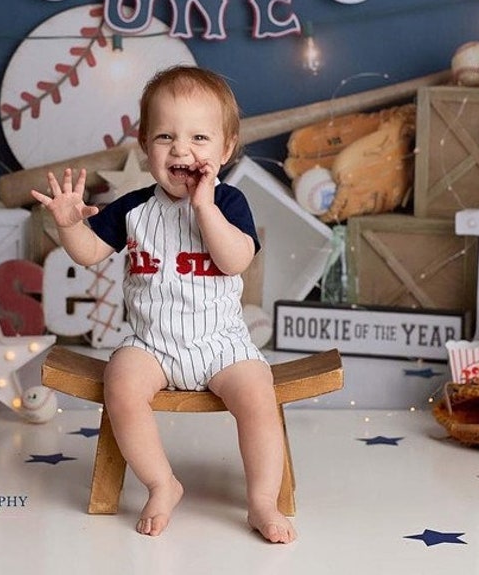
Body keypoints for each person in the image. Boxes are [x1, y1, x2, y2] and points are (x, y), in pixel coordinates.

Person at [31, 65, 295, 543]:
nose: (181, 149)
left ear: (226, 148)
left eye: (199, 137)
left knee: (259, 395)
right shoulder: (133, 208)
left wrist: (205, 208)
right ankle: (161, 482)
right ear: (144, 145)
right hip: (152, 343)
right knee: (122, 384)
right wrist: (70, 225)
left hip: (222, 345)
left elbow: (236, 260)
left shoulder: (229, 203)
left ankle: (261, 500)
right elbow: (90, 254)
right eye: (165, 136)